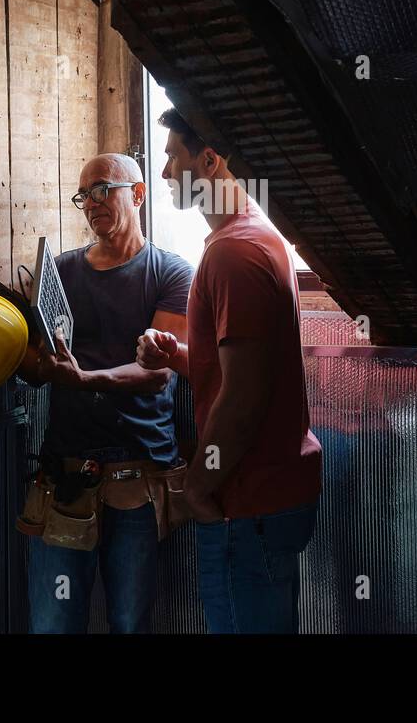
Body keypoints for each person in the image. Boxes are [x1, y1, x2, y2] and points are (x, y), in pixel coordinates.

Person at [135, 109, 322, 633]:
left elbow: (241, 399)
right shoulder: (251, 238)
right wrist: (174, 356)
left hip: (247, 500)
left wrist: (197, 488)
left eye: (173, 155)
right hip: (268, 496)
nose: (166, 171)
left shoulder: (234, 254)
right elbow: (235, 370)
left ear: (210, 160)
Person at [18, 152, 193, 633]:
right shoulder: (61, 272)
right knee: (53, 624)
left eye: (102, 189)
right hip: (65, 476)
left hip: (138, 479)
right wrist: (25, 357)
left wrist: (86, 379)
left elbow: (159, 373)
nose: (91, 202)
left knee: (130, 623)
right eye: (83, 196)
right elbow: (35, 365)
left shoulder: (172, 273)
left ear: (137, 194)